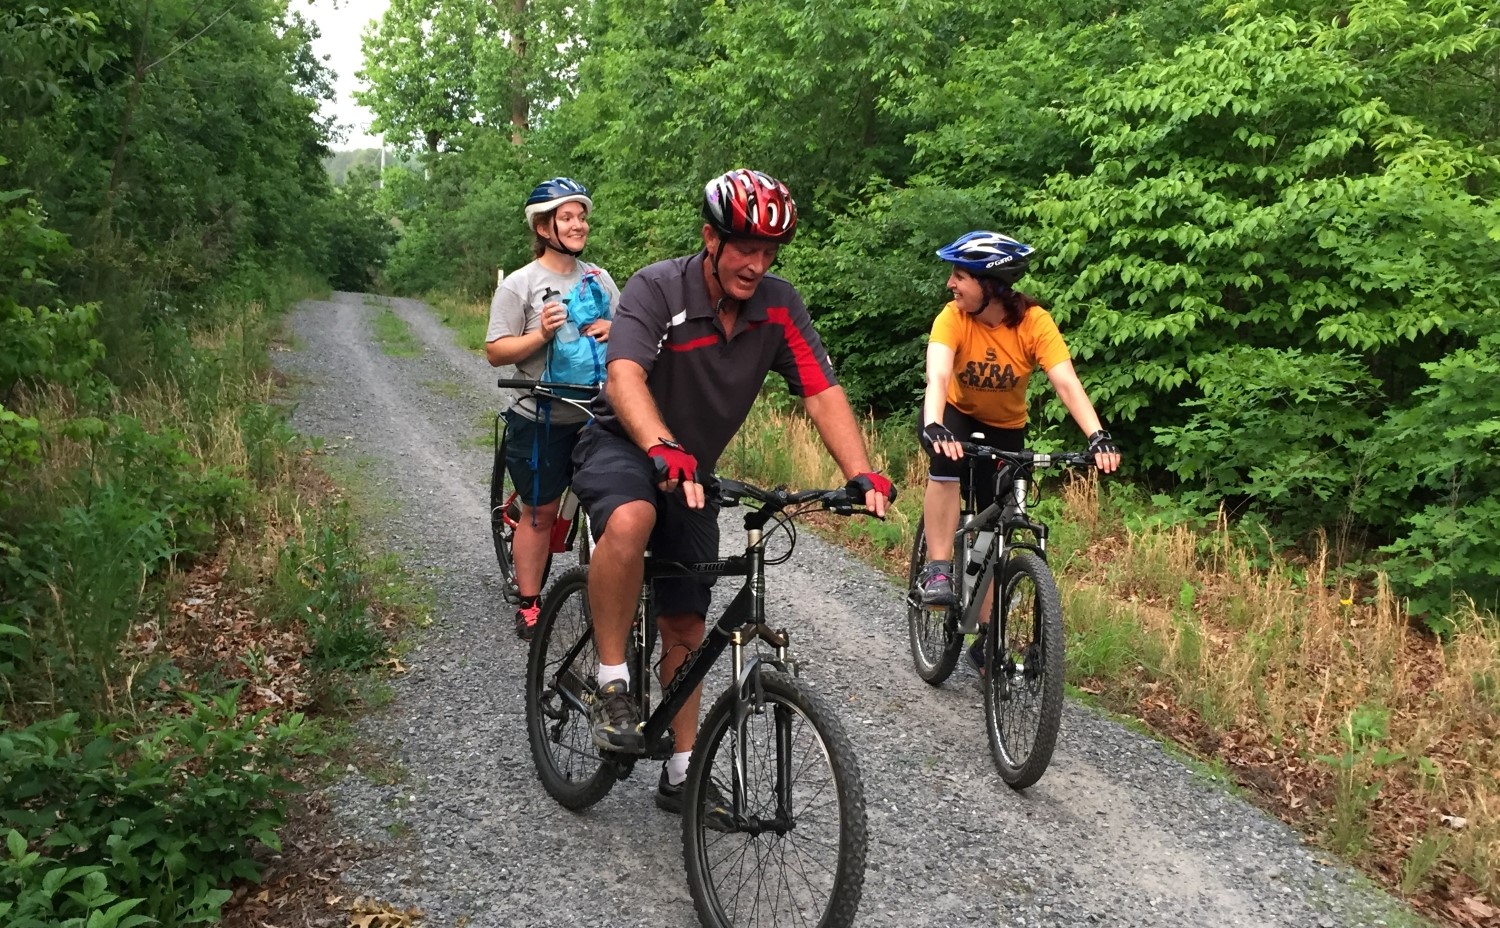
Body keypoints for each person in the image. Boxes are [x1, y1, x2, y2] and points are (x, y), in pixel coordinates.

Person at [568, 168, 894, 821]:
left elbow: (820, 389)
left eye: (769, 251)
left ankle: (683, 774)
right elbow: (625, 373)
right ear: (710, 239)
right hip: (625, 447)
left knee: (686, 623)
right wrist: (661, 444)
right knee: (630, 519)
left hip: (694, 474)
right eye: (744, 246)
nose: (757, 263)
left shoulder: (778, 304)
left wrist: (862, 472)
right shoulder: (657, 288)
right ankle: (610, 683)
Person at [915, 230, 1120, 671]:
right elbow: (938, 376)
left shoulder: (1033, 323)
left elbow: (1066, 381)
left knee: (996, 527)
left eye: (960, 277)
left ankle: (987, 636)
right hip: (954, 413)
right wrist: (934, 424)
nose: (951, 285)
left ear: (989, 285)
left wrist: (1097, 435)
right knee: (946, 467)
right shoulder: (953, 317)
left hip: (1006, 427)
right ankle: (936, 567)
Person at [485, 177, 618, 640]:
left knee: (611, 508)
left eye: (581, 216)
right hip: (538, 414)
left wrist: (610, 326)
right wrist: (540, 334)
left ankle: (604, 593)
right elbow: (496, 351)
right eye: (567, 217)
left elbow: (628, 338)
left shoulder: (599, 279)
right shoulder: (521, 285)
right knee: (539, 513)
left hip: (594, 415)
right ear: (543, 227)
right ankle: (529, 603)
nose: (579, 224)